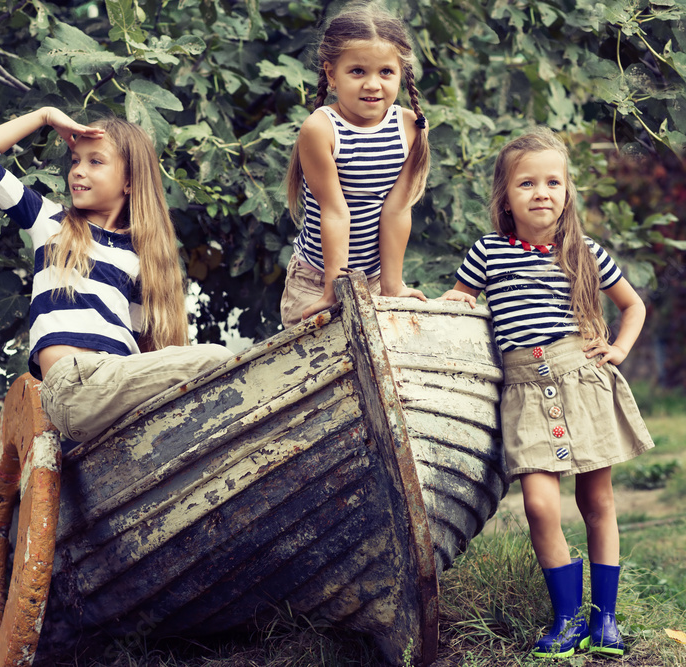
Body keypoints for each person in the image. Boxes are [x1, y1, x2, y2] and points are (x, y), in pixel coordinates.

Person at [440, 127, 654, 659]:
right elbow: (460, 301)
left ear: (567, 191)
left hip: (580, 383)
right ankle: (567, 618)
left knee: (597, 501)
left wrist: (619, 349)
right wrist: (452, 304)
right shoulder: (486, 252)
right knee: (539, 504)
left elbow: (634, 305)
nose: (542, 192)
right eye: (527, 183)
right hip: (524, 392)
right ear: (504, 198)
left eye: (553, 181)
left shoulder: (585, 252)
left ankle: (604, 621)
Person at [0, 107, 233, 444]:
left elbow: (147, 354)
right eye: (75, 160)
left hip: (117, 387)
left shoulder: (140, 260)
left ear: (130, 181)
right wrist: (45, 117)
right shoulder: (50, 223)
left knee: (214, 373)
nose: (77, 171)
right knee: (219, 360)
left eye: (95, 162)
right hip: (73, 386)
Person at [280, 2, 430, 328]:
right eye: (358, 71)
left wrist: (392, 287)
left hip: (375, 278)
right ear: (332, 75)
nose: (373, 84)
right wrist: (333, 289)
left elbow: (397, 210)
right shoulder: (321, 129)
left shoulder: (410, 126)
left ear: (401, 72)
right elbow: (335, 212)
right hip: (317, 279)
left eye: (386, 72)